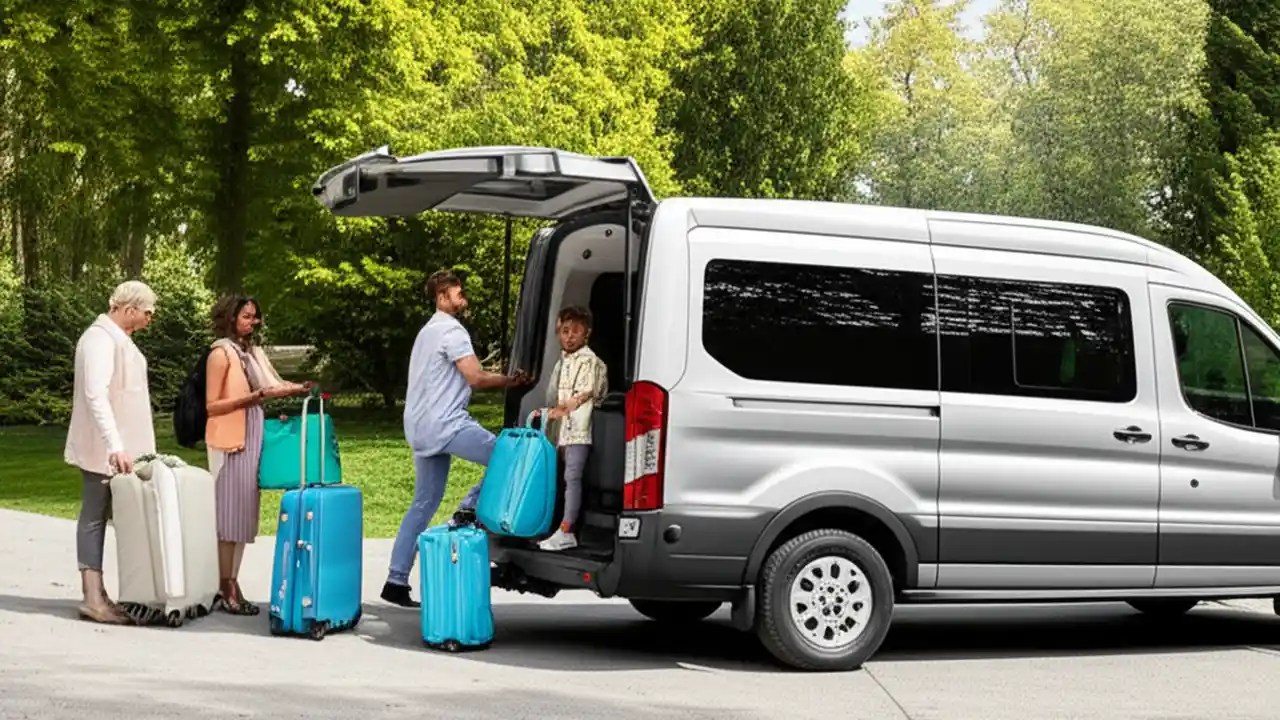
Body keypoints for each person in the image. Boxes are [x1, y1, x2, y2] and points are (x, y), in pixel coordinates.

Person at [383, 269, 527, 608]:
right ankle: (467, 508)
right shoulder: (451, 331)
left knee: (423, 503)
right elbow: (475, 377)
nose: (463, 298)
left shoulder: (426, 332)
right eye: (457, 293)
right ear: (442, 295)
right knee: (508, 456)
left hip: (418, 426)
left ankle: (395, 579)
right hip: (446, 424)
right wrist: (512, 381)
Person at [204, 295, 308, 615]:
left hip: (251, 435)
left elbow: (271, 386)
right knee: (227, 517)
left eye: (255, 317)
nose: (253, 322)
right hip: (229, 439)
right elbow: (211, 406)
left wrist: (295, 390)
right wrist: (253, 398)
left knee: (243, 515)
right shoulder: (221, 353)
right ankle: (225, 585)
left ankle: (231, 581)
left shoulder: (251, 354)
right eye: (247, 316)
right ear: (231, 317)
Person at [64, 280, 159, 624]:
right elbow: (95, 394)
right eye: (148, 312)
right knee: (95, 515)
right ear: (129, 309)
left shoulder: (119, 340)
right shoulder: (99, 340)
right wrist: (115, 445)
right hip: (105, 449)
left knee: (109, 517)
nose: (151, 318)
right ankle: (92, 597)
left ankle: (102, 592)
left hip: (124, 450)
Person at [534, 306, 608, 552]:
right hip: (562, 432)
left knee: (572, 477)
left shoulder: (589, 361)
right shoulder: (562, 362)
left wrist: (558, 411)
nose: (569, 336)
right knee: (561, 478)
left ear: (586, 333)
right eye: (565, 331)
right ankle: (554, 524)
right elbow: (554, 394)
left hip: (579, 430)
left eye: (576, 331)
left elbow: (583, 395)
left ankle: (567, 529)